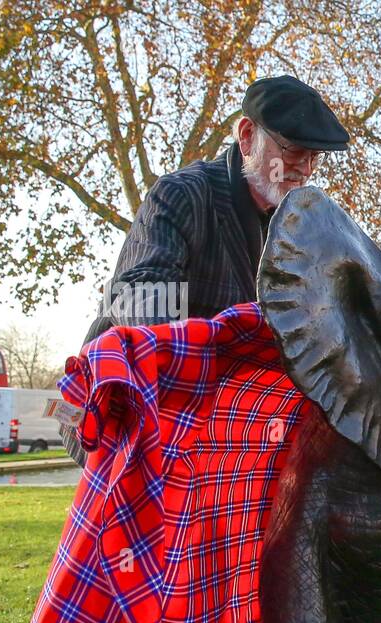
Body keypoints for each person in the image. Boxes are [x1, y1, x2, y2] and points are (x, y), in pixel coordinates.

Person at [63, 74, 348, 466]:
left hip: (228, 421)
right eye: (294, 149)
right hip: (134, 410)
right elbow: (138, 297)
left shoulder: (298, 227)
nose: (305, 168)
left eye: (316, 157)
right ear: (247, 136)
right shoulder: (182, 194)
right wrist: (221, 348)